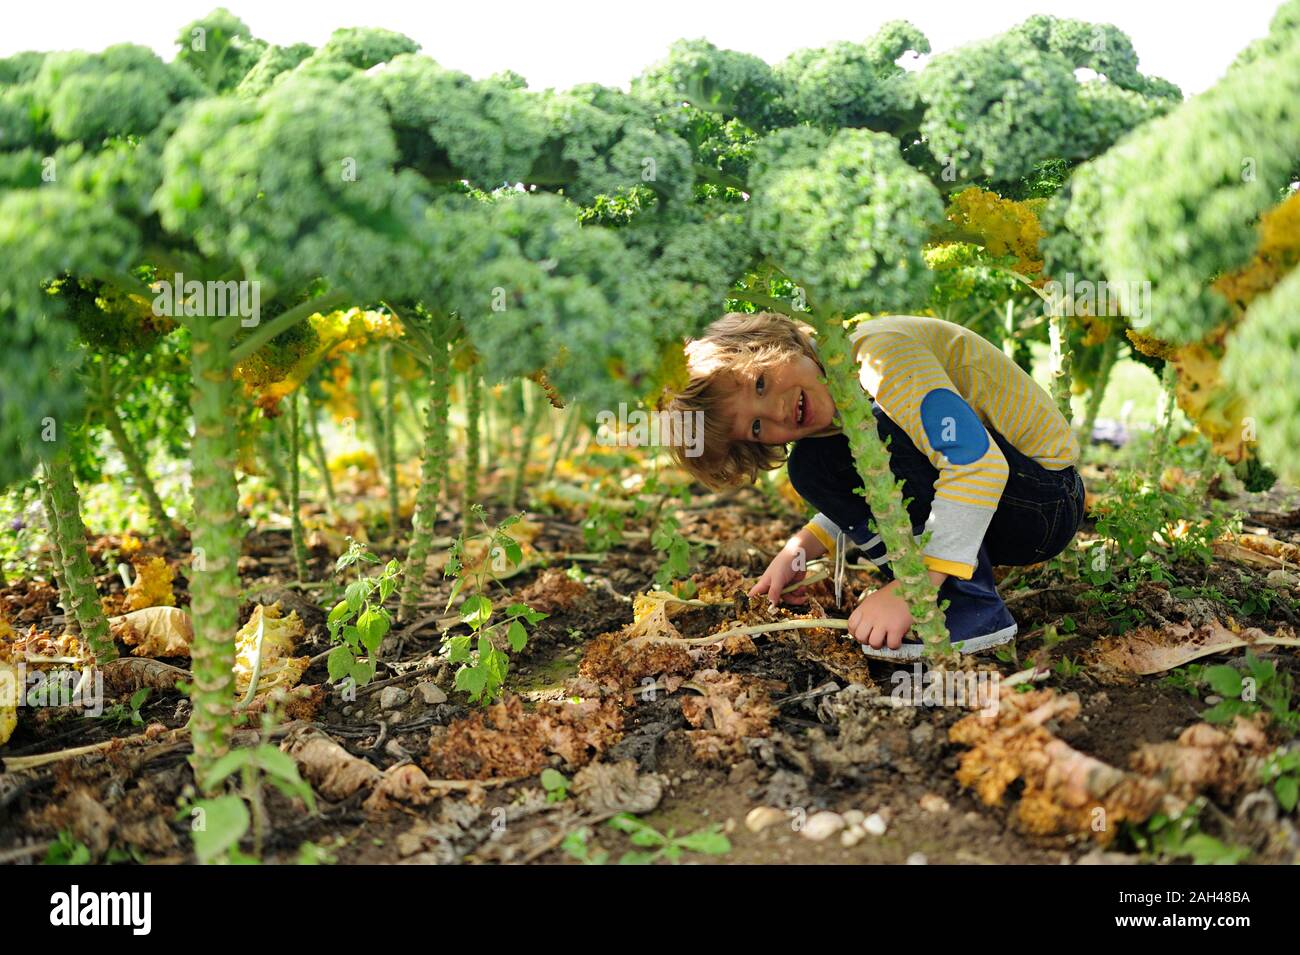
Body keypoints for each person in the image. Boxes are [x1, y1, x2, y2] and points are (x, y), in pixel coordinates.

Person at [666, 311, 1085, 660]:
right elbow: (875, 476)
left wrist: (912, 587)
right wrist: (804, 547)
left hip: (1045, 499)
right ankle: (936, 586)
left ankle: (959, 604)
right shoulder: (833, 397)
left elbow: (977, 465)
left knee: (878, 432)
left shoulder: (878, 358)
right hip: (999, 509)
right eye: (756, 427)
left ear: (776, 342)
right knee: (812, 465)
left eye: (760, 382)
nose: (776, 411)